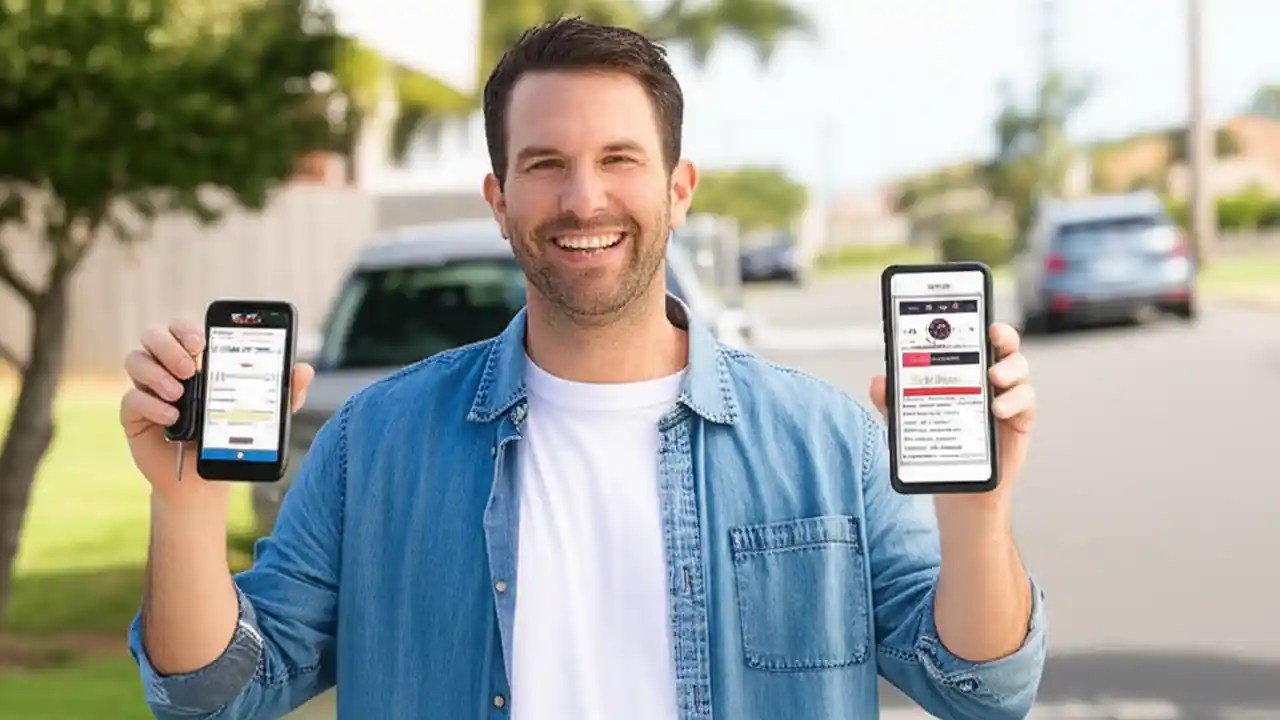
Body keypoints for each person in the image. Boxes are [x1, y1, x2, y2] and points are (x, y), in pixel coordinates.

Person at [121, 17, 1047, 720]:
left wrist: (980, 511)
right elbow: (213, 694)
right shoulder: (375, 443)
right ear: (500, 200)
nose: (583, 197)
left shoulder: (827, 442)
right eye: (545, 164)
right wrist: (186, 507)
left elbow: (982, 688)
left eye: (618, 159)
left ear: (678, 190)